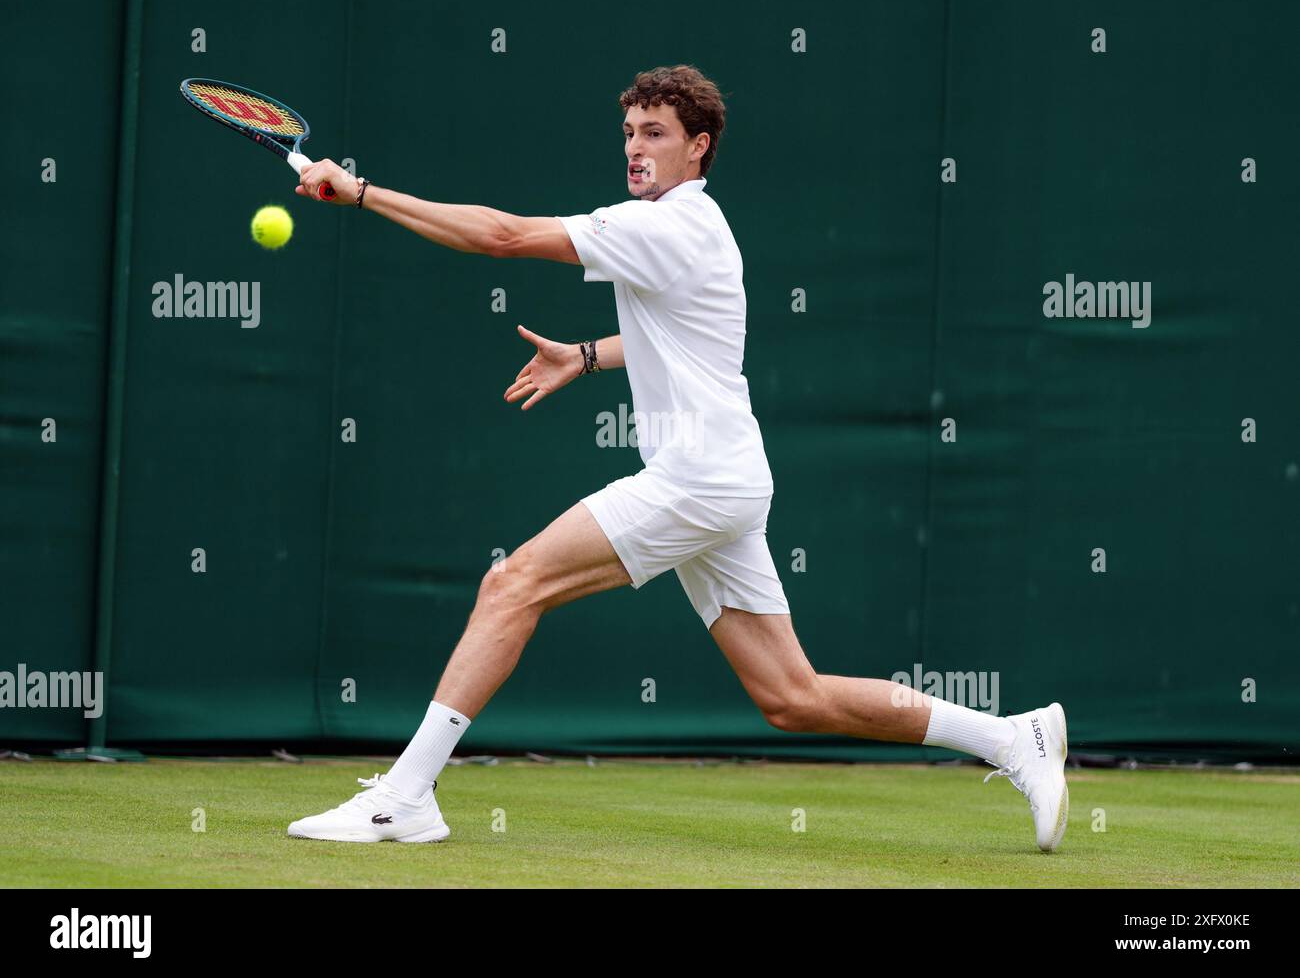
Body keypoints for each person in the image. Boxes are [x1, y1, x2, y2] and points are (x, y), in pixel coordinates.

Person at [285, 64, 1069, 852]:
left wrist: (358, 193)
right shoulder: (697, 227)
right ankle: (1013, 739)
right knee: (793, 698)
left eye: (655, 134)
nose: (635, 148)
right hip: (726, 479)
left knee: (512, 582)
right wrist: (584, 357)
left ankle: (405, 797)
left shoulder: (665, 225)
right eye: (628, 132)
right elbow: (682, 341)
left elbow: (502, 235)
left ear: (698, 148)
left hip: (696, 479)